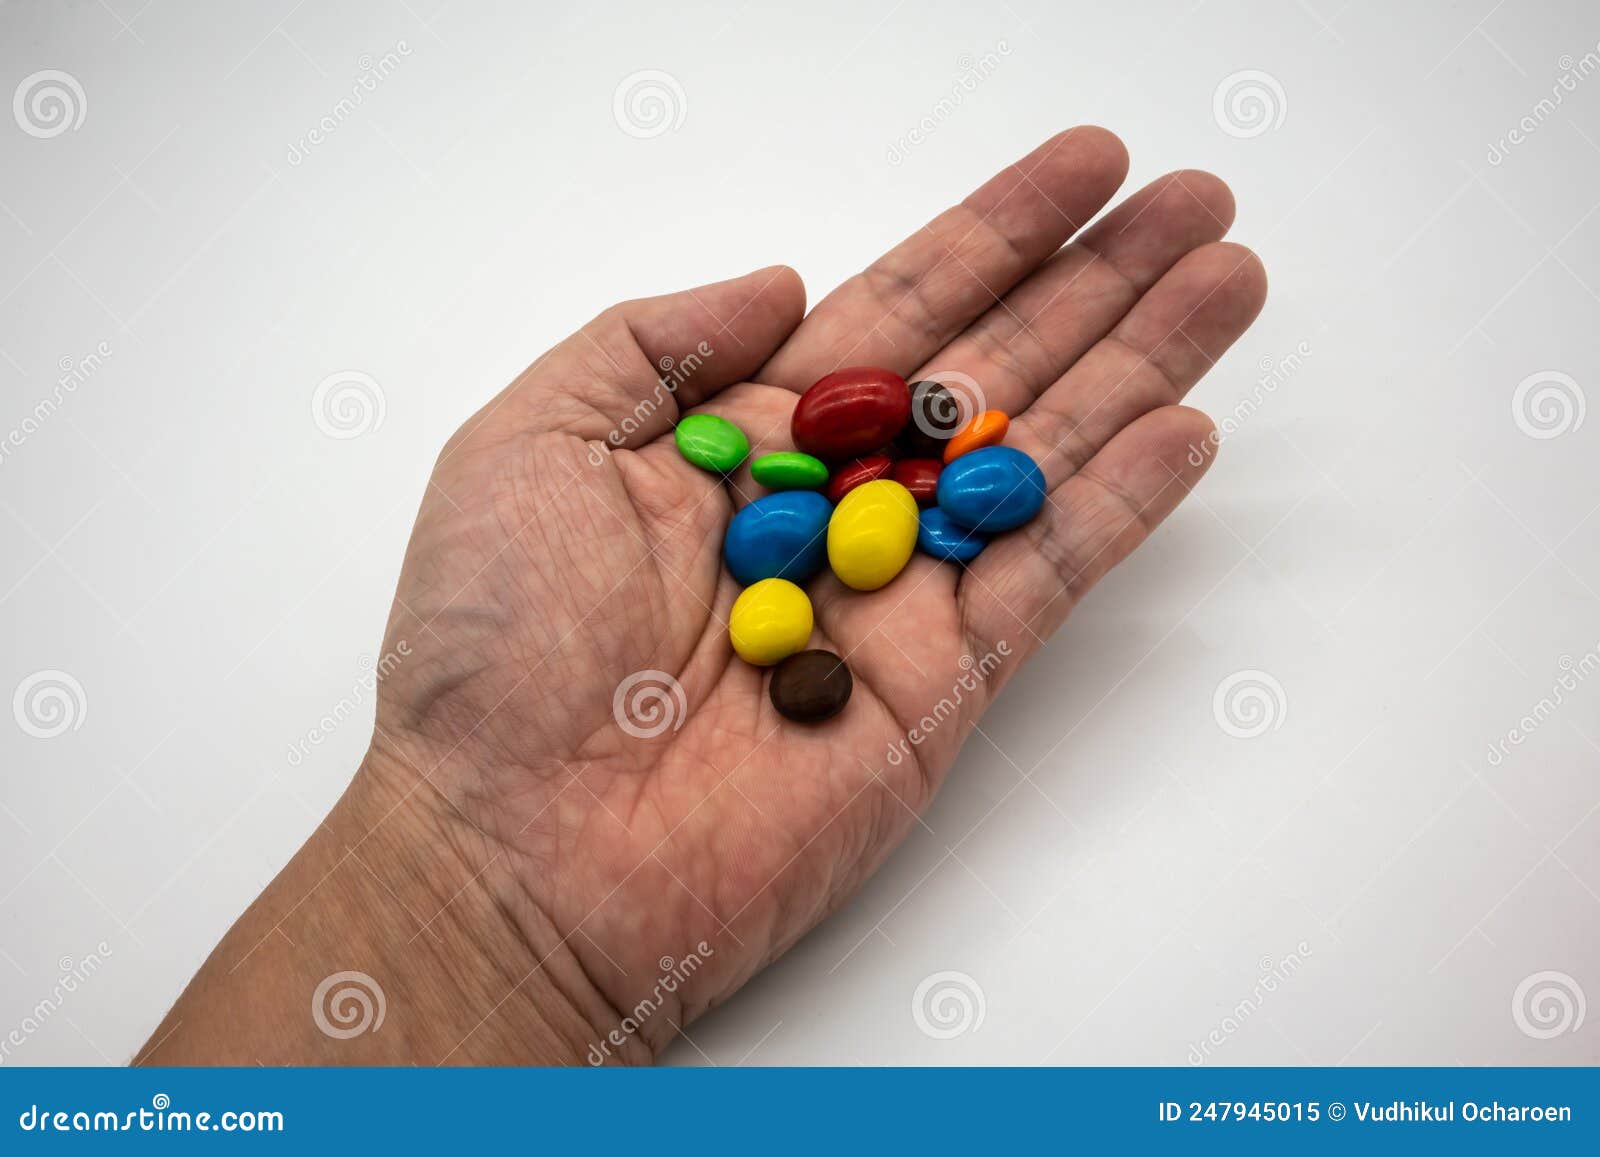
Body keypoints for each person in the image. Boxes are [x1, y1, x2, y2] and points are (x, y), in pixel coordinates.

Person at [137, 126, 1267, 1065]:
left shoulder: (893, 495)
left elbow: (893, 506)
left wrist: (484, 934)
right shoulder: (809, 520)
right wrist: (476, 904)